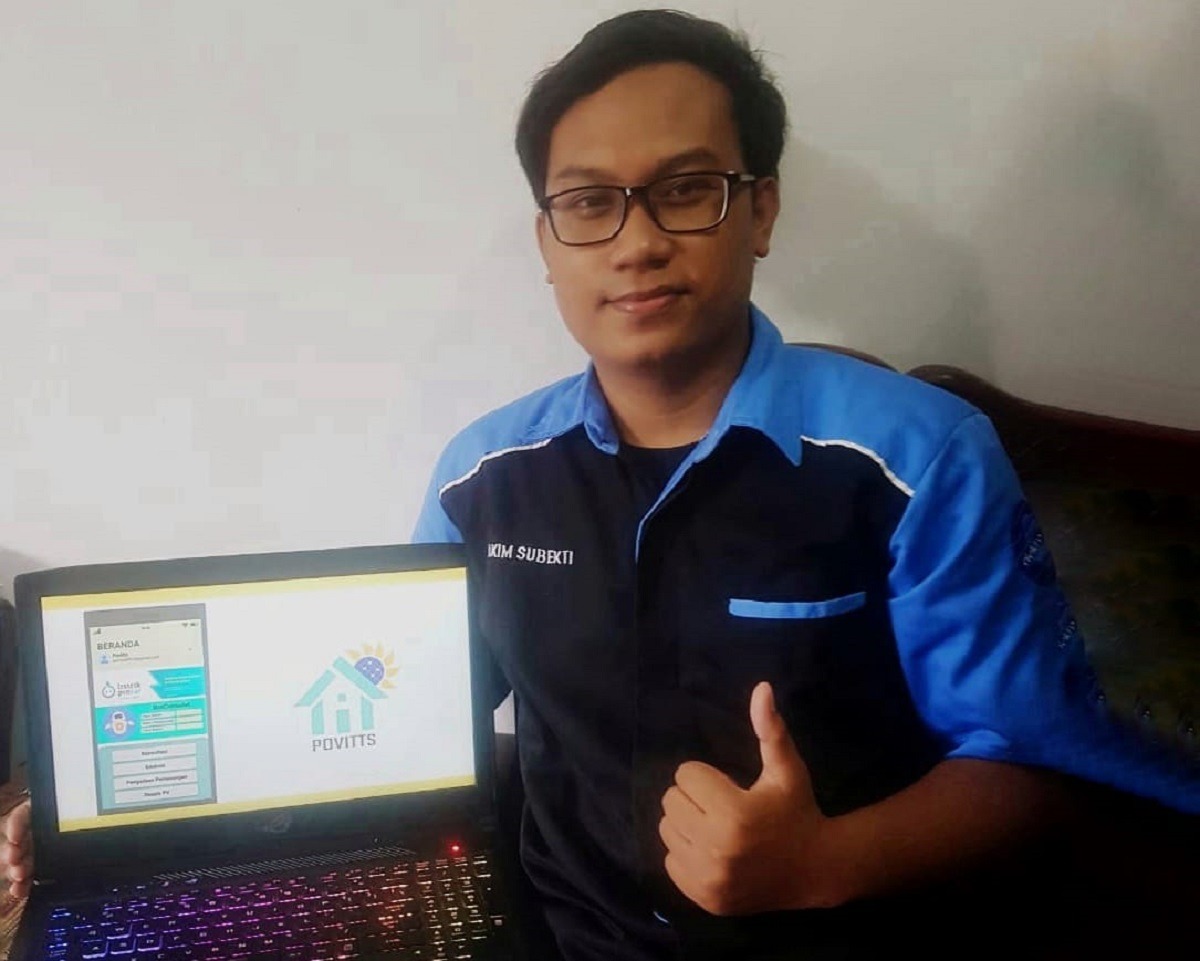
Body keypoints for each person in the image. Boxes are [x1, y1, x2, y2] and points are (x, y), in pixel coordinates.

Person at [5, 9, 1197, 959]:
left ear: (760, 209)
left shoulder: (916, 455)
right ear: (548, 241)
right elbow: (394, 708)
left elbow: (1031, 762)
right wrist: (96, 826)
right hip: (548, 934)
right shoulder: (483, 476)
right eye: (588, 202)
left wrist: (820, 863)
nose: (635, 241)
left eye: (685, 188)